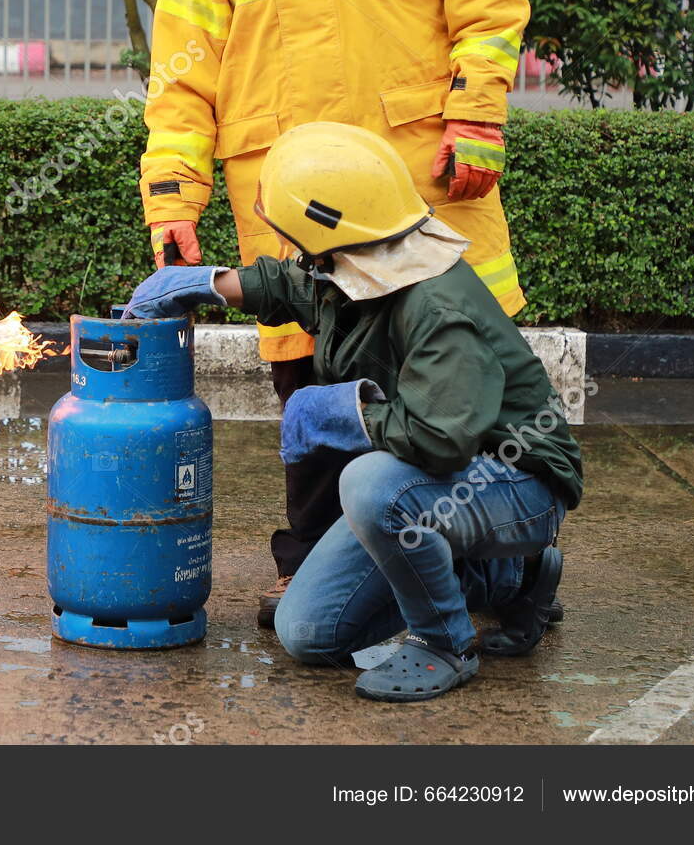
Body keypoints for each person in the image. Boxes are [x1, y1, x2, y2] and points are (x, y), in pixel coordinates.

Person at [140, 0, 532, 627]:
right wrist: (172, 195)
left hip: (420, 210)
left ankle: (506, 571)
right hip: (295, 228)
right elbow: (182, 80)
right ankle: (317, 575)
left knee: (455, 398)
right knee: (314, 403)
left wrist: (477, 111)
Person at [123, 123, 581, 701]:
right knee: (307, 633)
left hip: (513, 481)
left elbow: (440, 440)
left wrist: (343, 411)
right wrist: (205, 284)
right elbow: (295, 285)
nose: (294, 252)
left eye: (297, 238)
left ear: (330, 232)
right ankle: (510, 578)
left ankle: (445, 643)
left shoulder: (436, 309)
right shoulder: (362, 262)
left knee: (371, 485)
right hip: (441, 483)